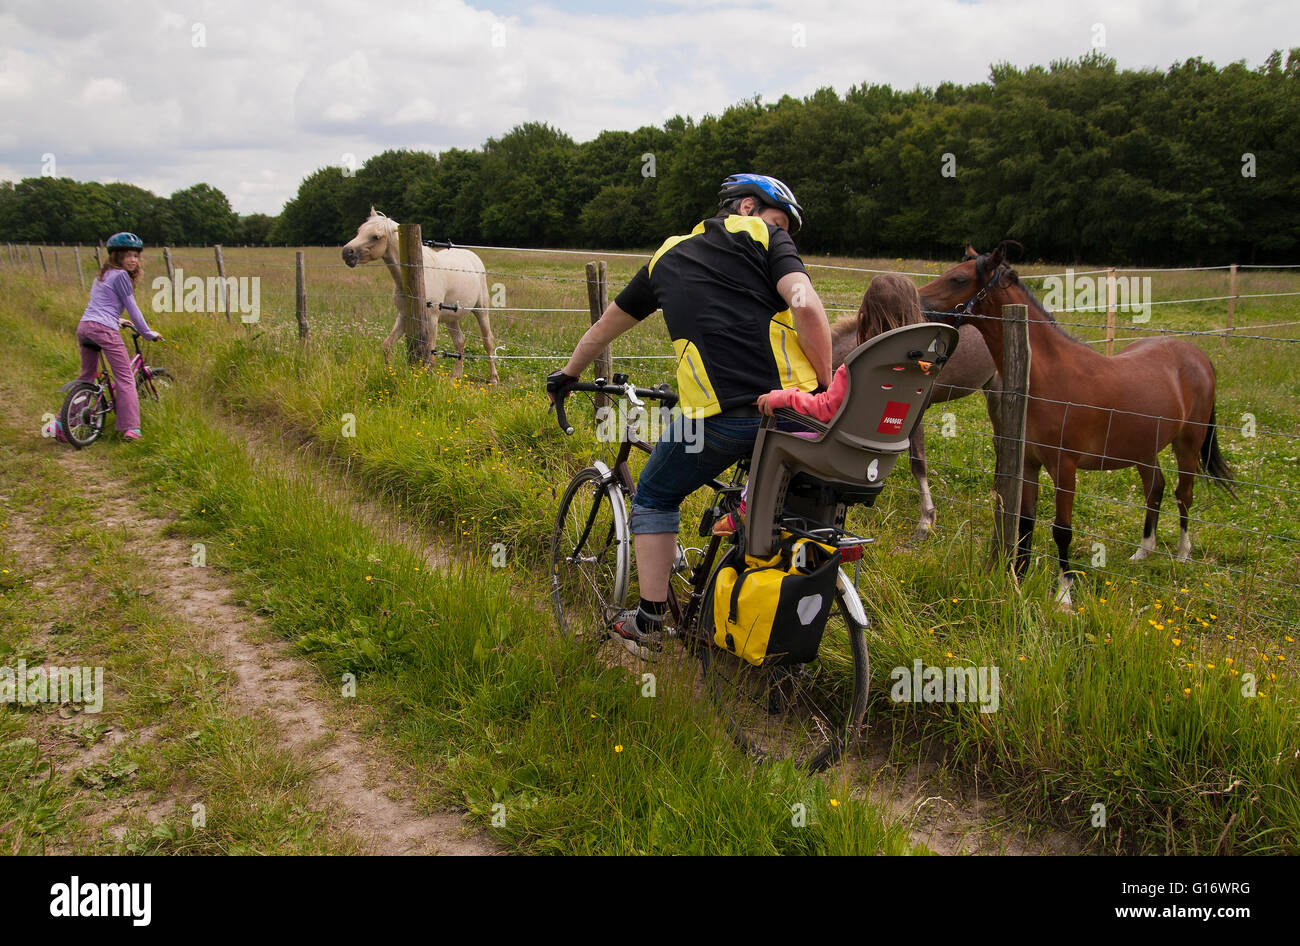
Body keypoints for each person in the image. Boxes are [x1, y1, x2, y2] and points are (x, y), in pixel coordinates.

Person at [547, 173, 832, 658]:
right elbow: (803, 302)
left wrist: (568, 374)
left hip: (723, 417)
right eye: (778, 221)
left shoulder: (665, 258)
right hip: (794, 414)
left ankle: (650, 623)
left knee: (656, 493)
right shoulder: (764, 236)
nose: (782, 231)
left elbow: (604, 328)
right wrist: (823, 388)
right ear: (746, 207)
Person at [712, 272, 925, 535]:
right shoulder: (919, 370)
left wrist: (784, 397)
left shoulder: (860, 367)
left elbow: (825, 409)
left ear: (864, 316)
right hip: (879, 459)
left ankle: (746, 512)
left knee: (772, 443)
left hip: (835, 452)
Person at [73, 232, 162, 442]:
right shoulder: (121, 276)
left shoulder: (102, 275)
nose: (133, 260)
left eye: (136, 255)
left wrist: (117, 319)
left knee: (87, 376)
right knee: (125, 378)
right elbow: (133, 309)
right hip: (103, 329)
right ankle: (132, 428)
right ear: (116, 256)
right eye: (127, 255)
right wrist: (147, 333)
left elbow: (101, 305)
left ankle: (63, 423)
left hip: (85, 326)